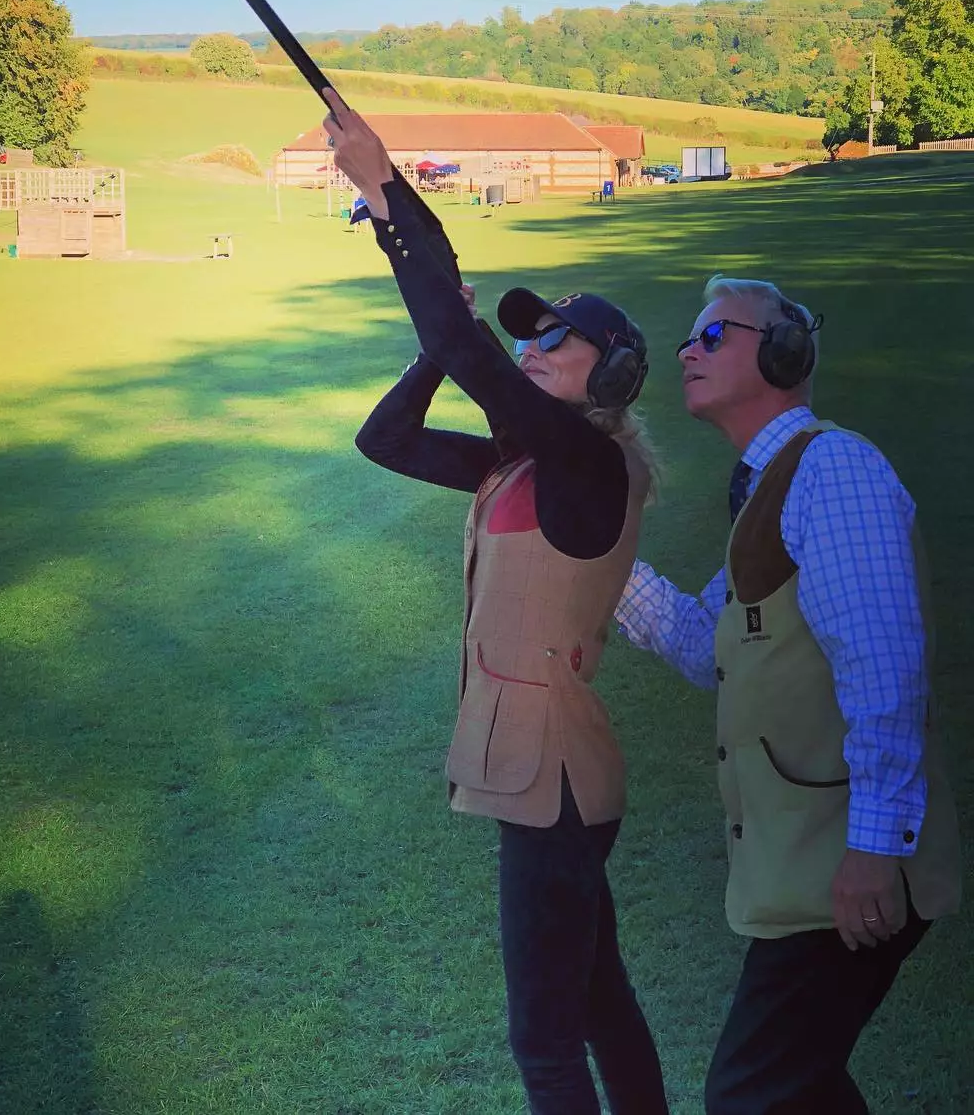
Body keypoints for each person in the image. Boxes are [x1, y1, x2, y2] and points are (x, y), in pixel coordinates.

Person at [325, 88, 669, 1115]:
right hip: (544, 775)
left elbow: (475, 353)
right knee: (599, 1006)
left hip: (549, 783)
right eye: (529, 339)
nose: (531, 351)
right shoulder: (526, 462)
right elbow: (384, 442)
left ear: (606, 377)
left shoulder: (588, 463)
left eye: (554, 346)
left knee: (545, 1042)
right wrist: (441, 337)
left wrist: (387, 198)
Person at [615, 274, 962, 1115]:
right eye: (689, 340)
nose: (686, 352)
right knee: (797, 1086)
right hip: (806, 864)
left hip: (847, 864)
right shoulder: (772, 490)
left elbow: (885, 665)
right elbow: (709, 646)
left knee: (750, 1089)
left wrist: (875, 849)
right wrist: (598, 560)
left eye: (712, 336)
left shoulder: (833, 470)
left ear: (783, 352)